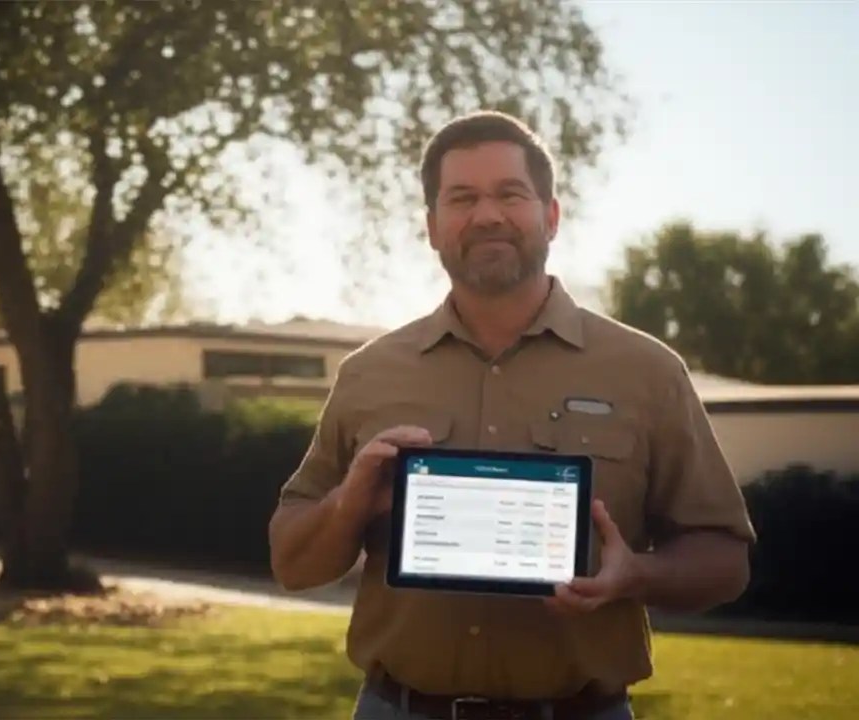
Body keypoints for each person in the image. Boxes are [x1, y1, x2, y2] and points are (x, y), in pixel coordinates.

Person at [268, 110, 754, 720]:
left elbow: (725, 561)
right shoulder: (368, 373)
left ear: (551, 216)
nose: (488, 215)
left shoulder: (648, 371)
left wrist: (635, 576)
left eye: (510, 194)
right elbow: (292, 563)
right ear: (432, 226)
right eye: (462, 197)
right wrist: (352, 500)